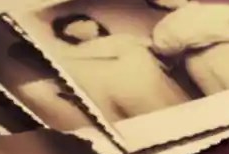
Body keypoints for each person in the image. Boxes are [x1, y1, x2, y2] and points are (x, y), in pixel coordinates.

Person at [52, 13, 191, 119]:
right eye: (73, 28)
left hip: (156, 84)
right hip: (128, 94)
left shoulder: (124, 38)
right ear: (67, 34)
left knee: (179, 111)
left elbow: (159, 52)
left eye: (84, 22)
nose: (82, 28)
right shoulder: (75, 55)